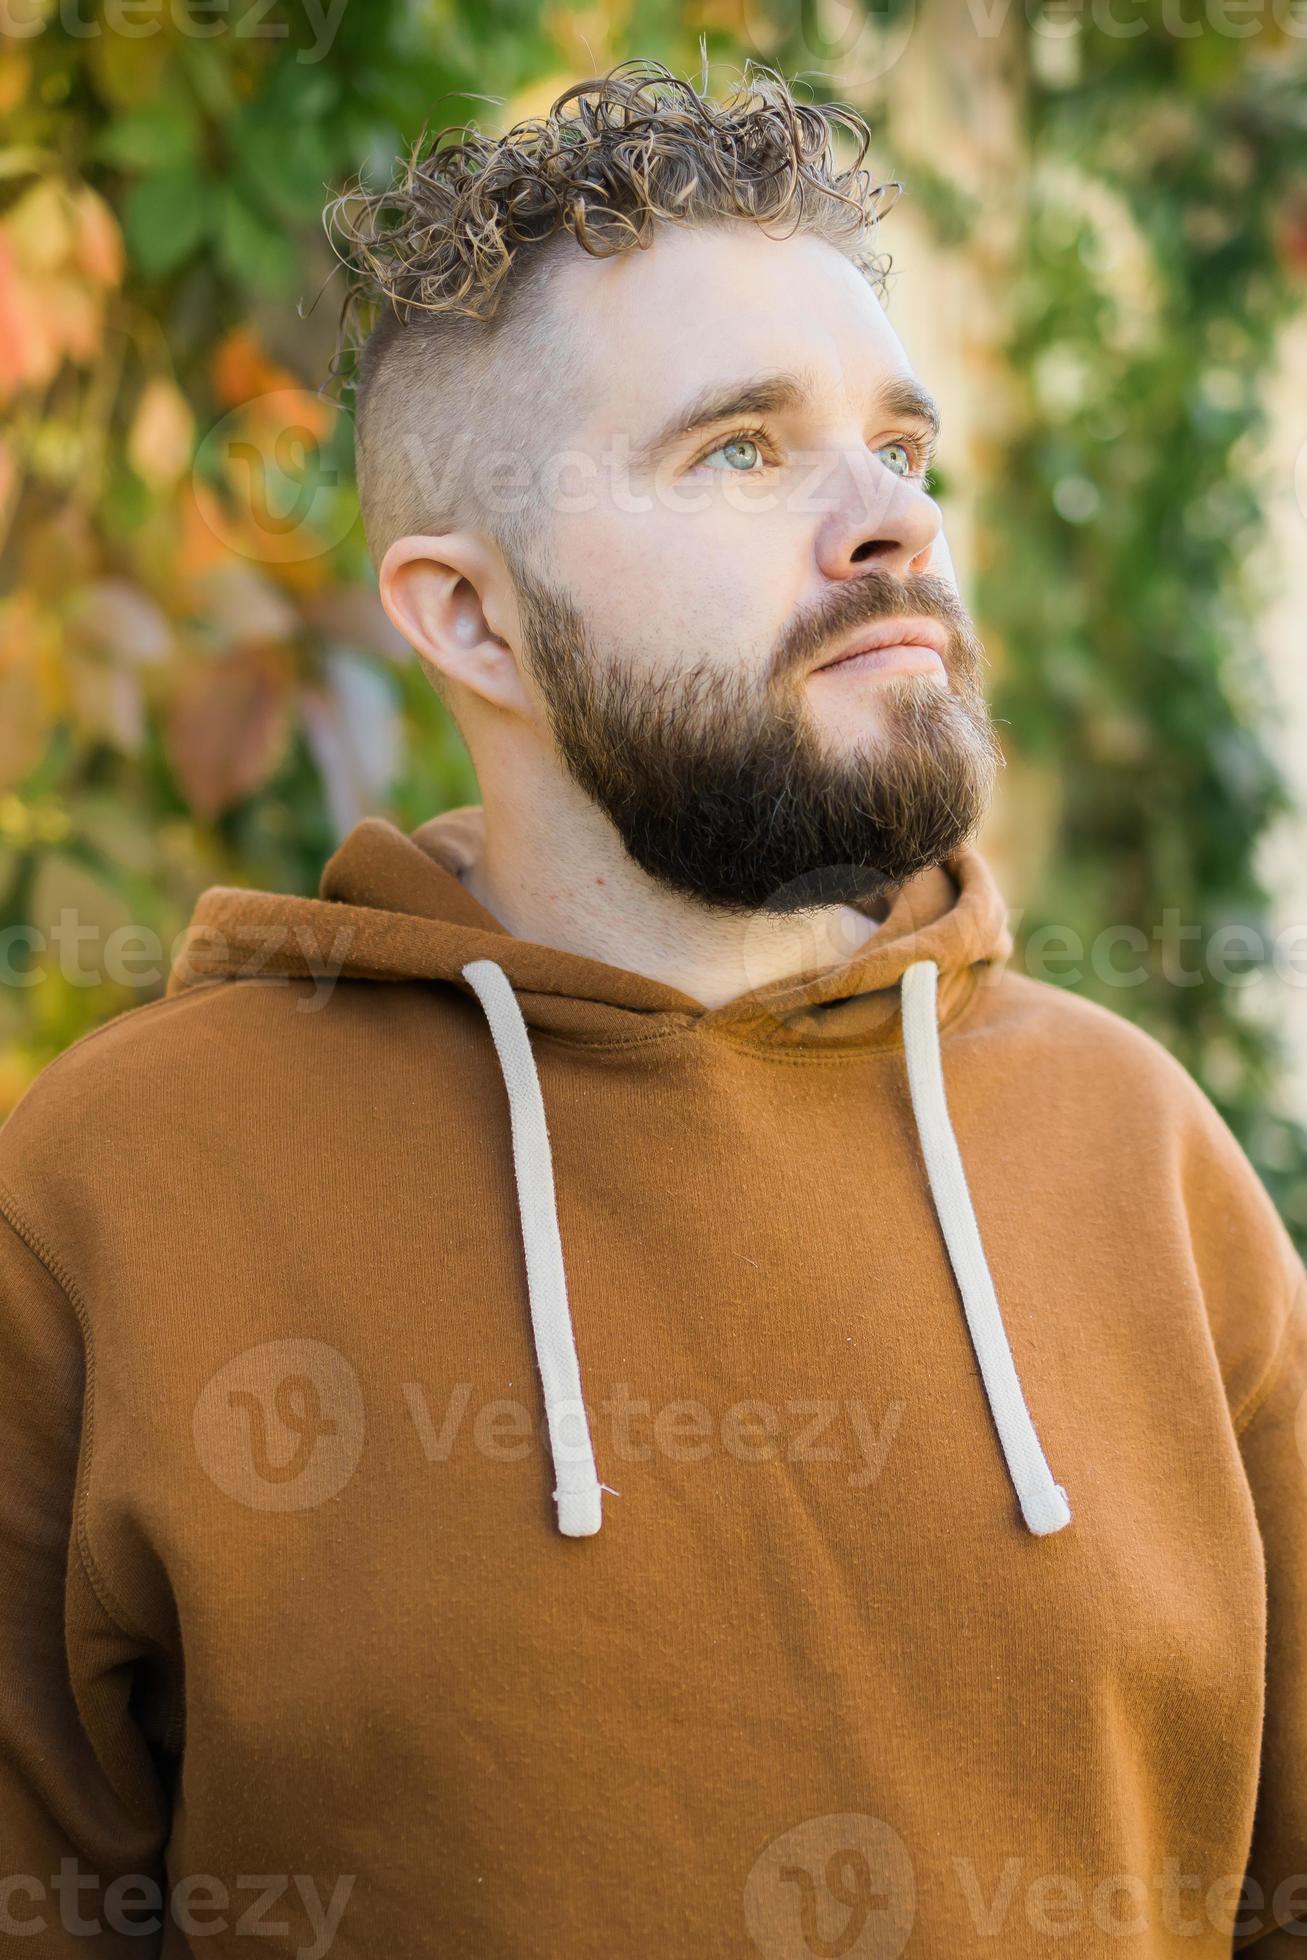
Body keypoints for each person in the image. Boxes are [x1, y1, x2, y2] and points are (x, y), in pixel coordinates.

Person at [1, 57, 1304, 1958]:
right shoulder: (119, 1187)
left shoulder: (1142, 1154)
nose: (890, 525)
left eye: (903, 447)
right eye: (743, 451)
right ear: (468, 620)